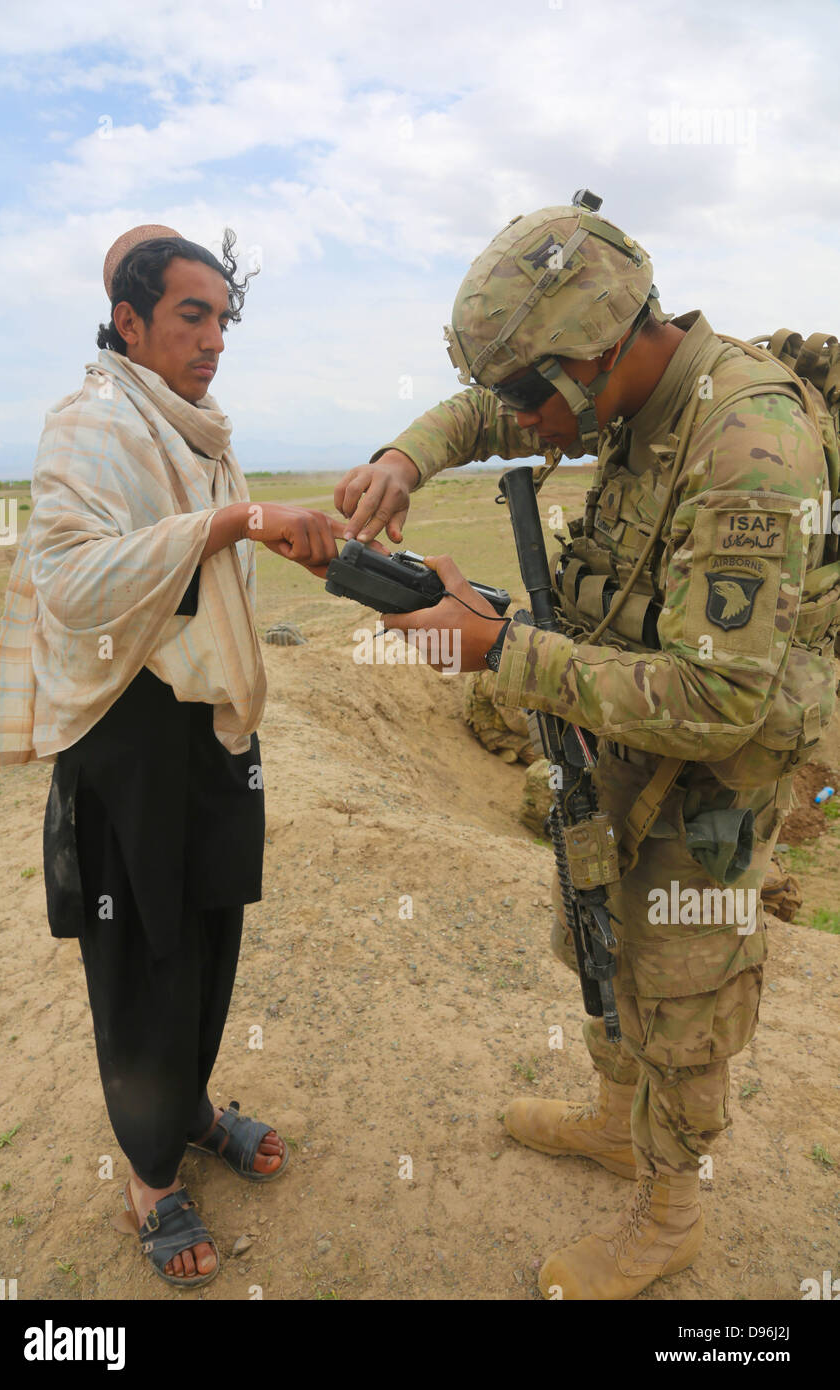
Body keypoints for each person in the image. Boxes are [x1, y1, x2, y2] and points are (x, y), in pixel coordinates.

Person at [333, 196, 836, 1300]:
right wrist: (401, 461)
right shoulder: (614, 389)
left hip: (711, 767)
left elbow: (714, 697)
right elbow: (478, 412)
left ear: (596, 353)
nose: (517, 419)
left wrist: (498, 652)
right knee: (596, 920)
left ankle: (669, 1210)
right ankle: (617, 1123)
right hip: (615, 721)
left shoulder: (748, 438)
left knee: (681, 982)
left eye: (527, 394)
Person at [0, 223, 358, 1288]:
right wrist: (238, 520)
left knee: (208, 932)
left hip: (207, 728)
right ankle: (151, 1177)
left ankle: (189, 1106)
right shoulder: (89, 424)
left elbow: (207, 557)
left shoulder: (195, 429)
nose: (213, 339)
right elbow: (73, 584)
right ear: (129, 320)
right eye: (191, 316)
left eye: (222, 319)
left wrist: (257, 528)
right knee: (142, 956)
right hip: (129, 738)